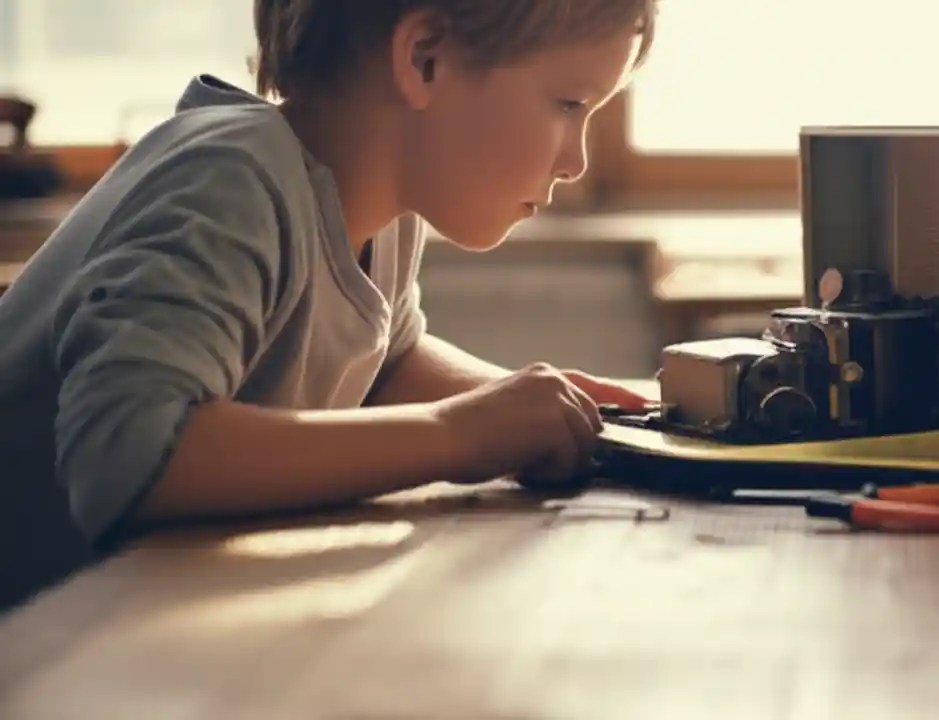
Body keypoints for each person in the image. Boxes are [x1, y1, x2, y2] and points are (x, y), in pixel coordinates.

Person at [0, 0, 658, 610]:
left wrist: (552, 416)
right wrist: (459, 434)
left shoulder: (380, 212)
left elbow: (383, 364)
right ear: (425, 57)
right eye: (569, 104)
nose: (575, 161)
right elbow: (131, 459)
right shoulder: (230, 179)